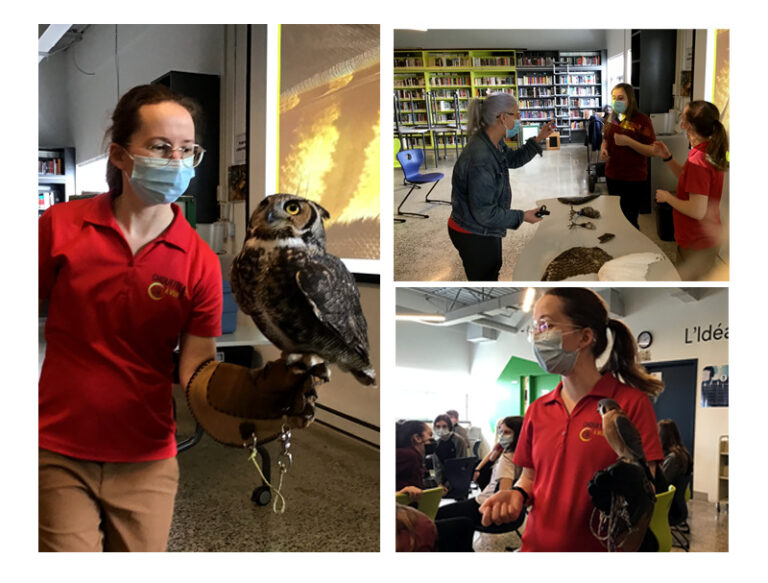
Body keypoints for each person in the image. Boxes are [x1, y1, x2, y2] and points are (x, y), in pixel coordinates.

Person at [38, 84, 311, 552]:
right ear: (120, 155)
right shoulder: (59, 226)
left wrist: (250, 392)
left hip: (147, 453)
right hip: (59, 445)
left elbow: (196, 365)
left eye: (186, 149)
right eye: (160, 147)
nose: (176, 160)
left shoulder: (199, 261)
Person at [478, 288, 665, 551]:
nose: (537, 336)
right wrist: (517, 494)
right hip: (537, 548)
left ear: (585, 337)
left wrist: (626, 486)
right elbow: (529, 477)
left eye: (546, 325)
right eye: (534, 328)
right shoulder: (537, 409)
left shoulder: (630, 404)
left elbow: (645, 487)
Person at [448, 92, 555, 281]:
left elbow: (512, 160)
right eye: (517, 114)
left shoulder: (493, 141)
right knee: (484, 276)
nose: (520, 118)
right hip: (472, 231)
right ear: (503, 118)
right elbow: (485, 214)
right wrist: (522, 216)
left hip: (484, 227)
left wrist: (538, 139)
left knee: (493, 268)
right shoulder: (481, 158)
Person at [653, 100, 728, 280]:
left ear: (686, 125)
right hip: (702, 239)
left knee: (691, 291)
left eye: (683, 117)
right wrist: (668, 158)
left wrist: (667, 197)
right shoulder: (706, 151)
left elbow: (697, 210)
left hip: (697, 241)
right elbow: (689, 182)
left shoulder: (698, 161)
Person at [436, 416, 523, 532]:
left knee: (438, 515)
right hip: (516, 512)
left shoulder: (507, 459)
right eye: (501, 431)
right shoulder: (524, 457)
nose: (502, 436)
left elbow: (503, 494)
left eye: (507, 432)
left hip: (485, 507)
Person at [600, 83, 656, 228]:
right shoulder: (614, 117)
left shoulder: (642, 121)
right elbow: (606, 138)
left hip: (633, 179)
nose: (616, 101)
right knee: (616, 216)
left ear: (630, 99)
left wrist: (628, 142)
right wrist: (604, 148)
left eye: (621, 98)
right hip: (613, 175)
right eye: (614, 98)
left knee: (630, 219)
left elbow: (652, 150)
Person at [658, 419, 693, 526]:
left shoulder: (672, 458)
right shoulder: (682, 453)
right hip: (678, 507)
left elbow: (662, 484)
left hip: (671, 510)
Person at [396, 420, 433, 492]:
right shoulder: (408, 455)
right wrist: (399, 492)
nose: (432, 439)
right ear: (417, 438)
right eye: (430, 435)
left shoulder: (414, 456)